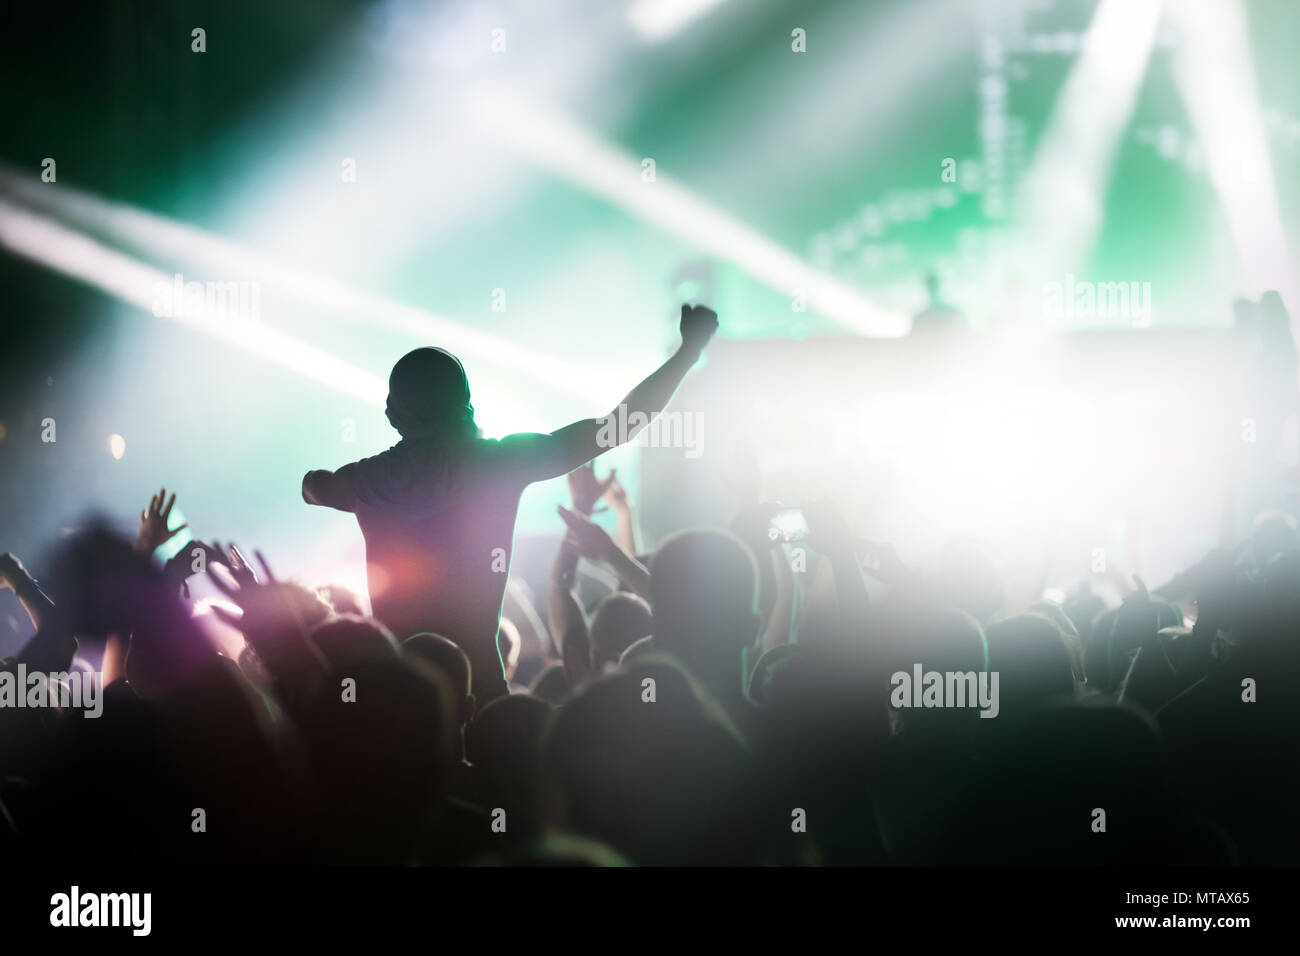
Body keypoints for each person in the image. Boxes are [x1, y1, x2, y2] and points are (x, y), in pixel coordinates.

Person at [302, 304, 719, 703]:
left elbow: (313, 488)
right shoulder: (499, 463)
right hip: (481, 691)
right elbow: (619, 426)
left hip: (399, 703)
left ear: (393, 414)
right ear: (463, 401)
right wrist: (686, 353)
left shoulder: (364, 481)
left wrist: (325, 484)